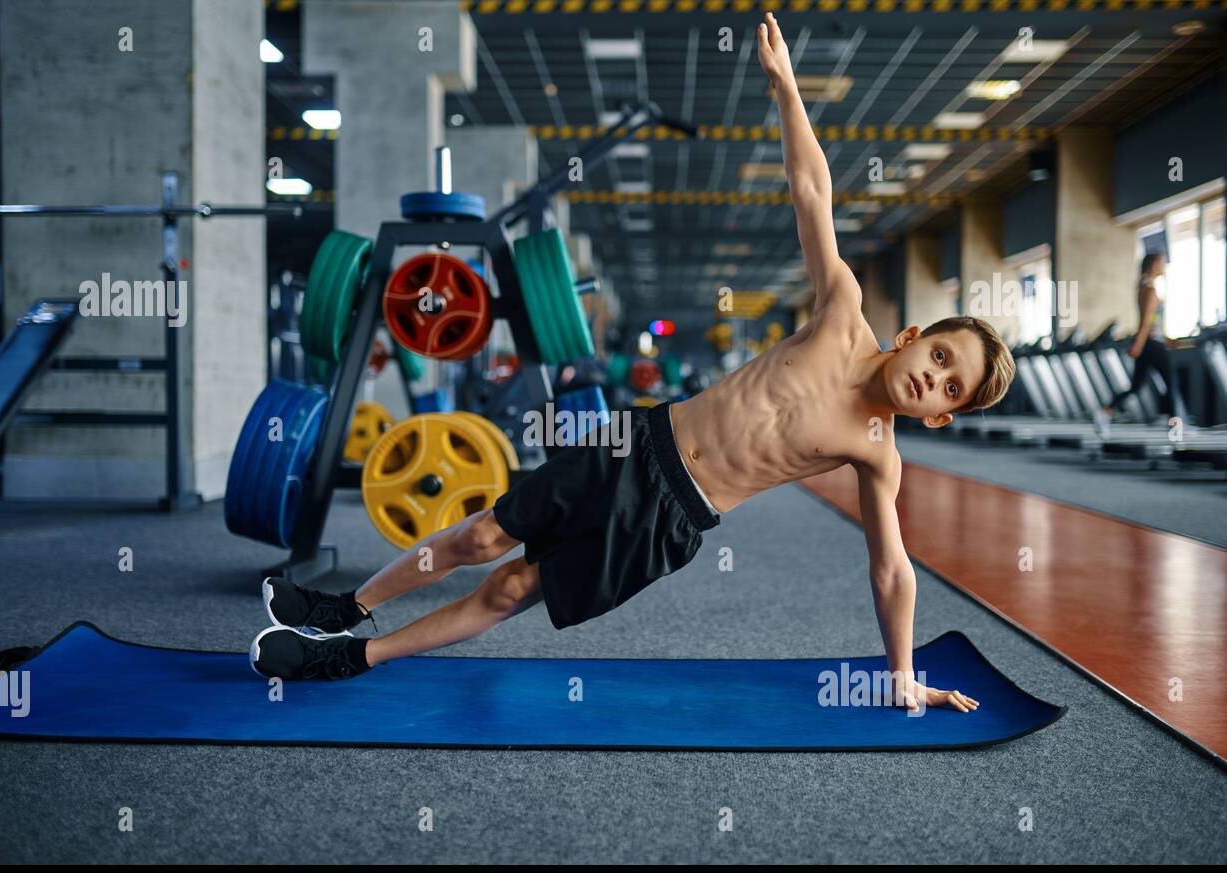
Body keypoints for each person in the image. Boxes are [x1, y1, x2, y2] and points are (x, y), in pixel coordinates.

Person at [248, 13, 1014, 714]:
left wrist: (901, 672)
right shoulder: (841, 311)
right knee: (481, 535)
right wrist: (785, 90)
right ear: (914, 333)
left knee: (514, 585)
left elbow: (891, 571)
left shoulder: (878, 456)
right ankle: (348, 606)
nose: (931, 377)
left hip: (668, 516)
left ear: (939, 414)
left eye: (949, 388)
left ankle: (354, 658)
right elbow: (811, 189)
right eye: (940, 355)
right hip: (634, 440)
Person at [1094, 251, 1187, 431]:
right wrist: (1138, 344)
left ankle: (1105, 411)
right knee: (1171, 382)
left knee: (1136, 386)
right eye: (1161, 263)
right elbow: (1145, 322)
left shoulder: (1143, 287)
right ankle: (1176, 426)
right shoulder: (1150, 290)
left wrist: (1166, 339)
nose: (1163, 266)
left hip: (1151, 342)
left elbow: (1151, 322)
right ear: (1153, 265)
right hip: (1151, 344)